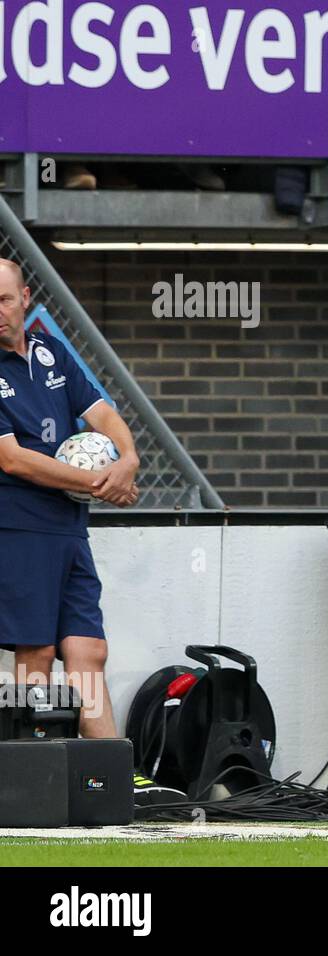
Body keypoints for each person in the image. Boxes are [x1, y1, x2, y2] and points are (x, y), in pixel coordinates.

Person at [0, 260, 180, 802]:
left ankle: (112, 780)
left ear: (25, 297)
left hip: (70, 528)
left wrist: (127, 459)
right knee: (34, 653)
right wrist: (102, 483)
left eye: (4, 300)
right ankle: (30, 783)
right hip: (19, 527)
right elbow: (12, 460)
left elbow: (101, 412)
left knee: (88, 649)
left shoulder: (52, 351)